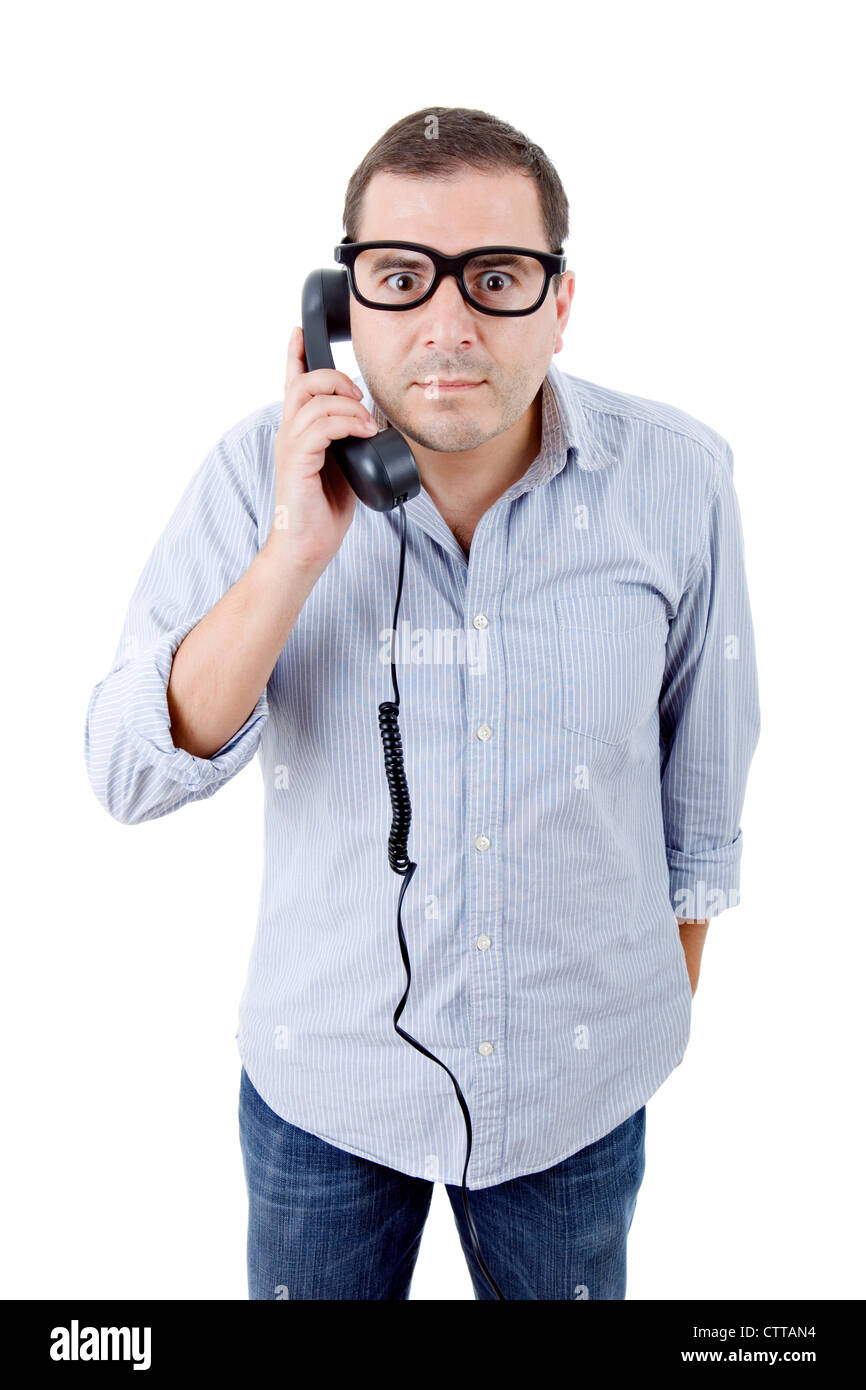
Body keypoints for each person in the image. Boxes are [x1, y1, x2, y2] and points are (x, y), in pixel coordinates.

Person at [84, 106, 760, 1300]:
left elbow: (698, 804)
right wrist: (293, 553)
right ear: (341, 307)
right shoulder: (258, 474)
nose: (447, 325)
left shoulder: (679, 479)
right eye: (401, 277)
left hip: (575, 1095)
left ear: (558, 300)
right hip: (325, 1091)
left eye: (494, 277)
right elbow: (129, 770)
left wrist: (627, 1026)